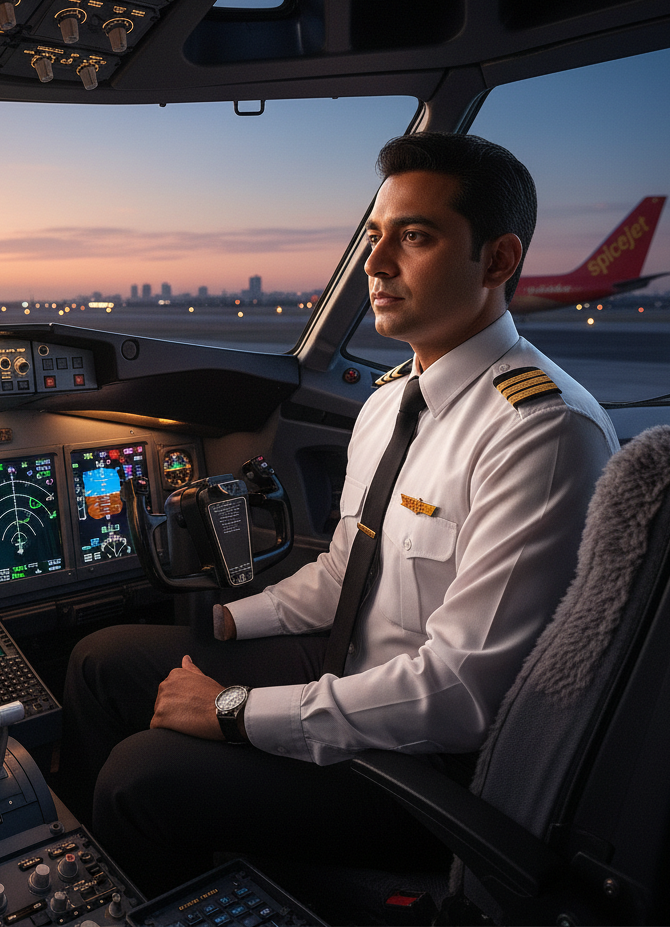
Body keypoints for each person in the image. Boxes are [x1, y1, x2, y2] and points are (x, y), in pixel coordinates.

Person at [59, 133, 619, 897]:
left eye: (414, 237)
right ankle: (115, 885)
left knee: (140, 774)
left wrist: (230, 710)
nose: (377, 263)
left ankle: (162, 900)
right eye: (374, 236)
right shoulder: (391, 399)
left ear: (496, 260)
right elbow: (344, 572)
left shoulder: (541, 433)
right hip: (348, 667)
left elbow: (459, 695)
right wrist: (224, 624)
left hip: (434, 762)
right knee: (103, 660)